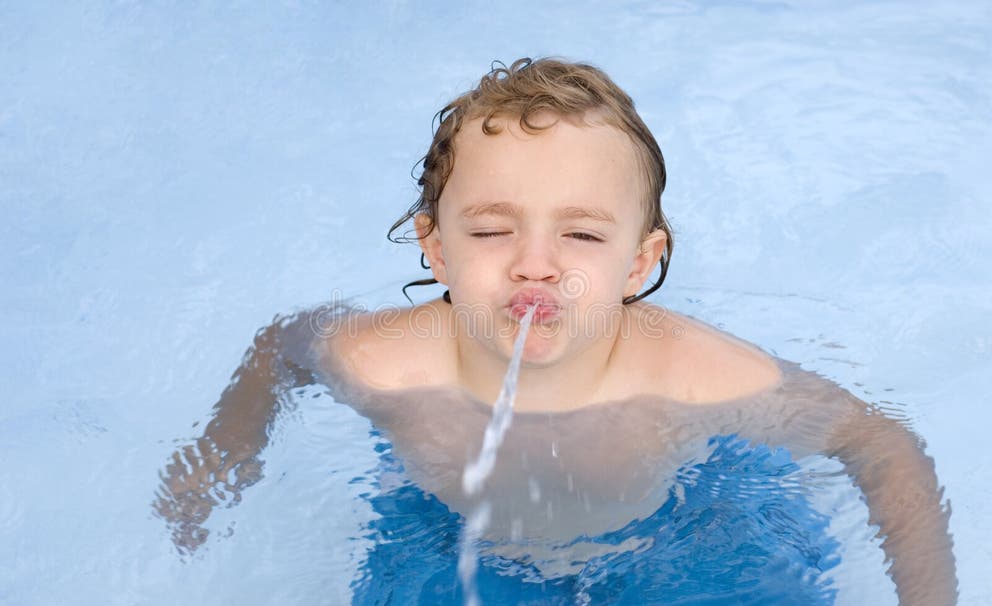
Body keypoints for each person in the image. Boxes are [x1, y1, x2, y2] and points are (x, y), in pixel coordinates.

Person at [155, 58, 956, 604]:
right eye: (493, 230)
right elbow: (284, 345)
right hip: (448, 536)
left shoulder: (695, 378)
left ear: (639, 263)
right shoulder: (382, 362)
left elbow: (880, 445)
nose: (535, 265)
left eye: (580, 235)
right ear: (435, 247)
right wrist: (224, 453)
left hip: (680, 534)